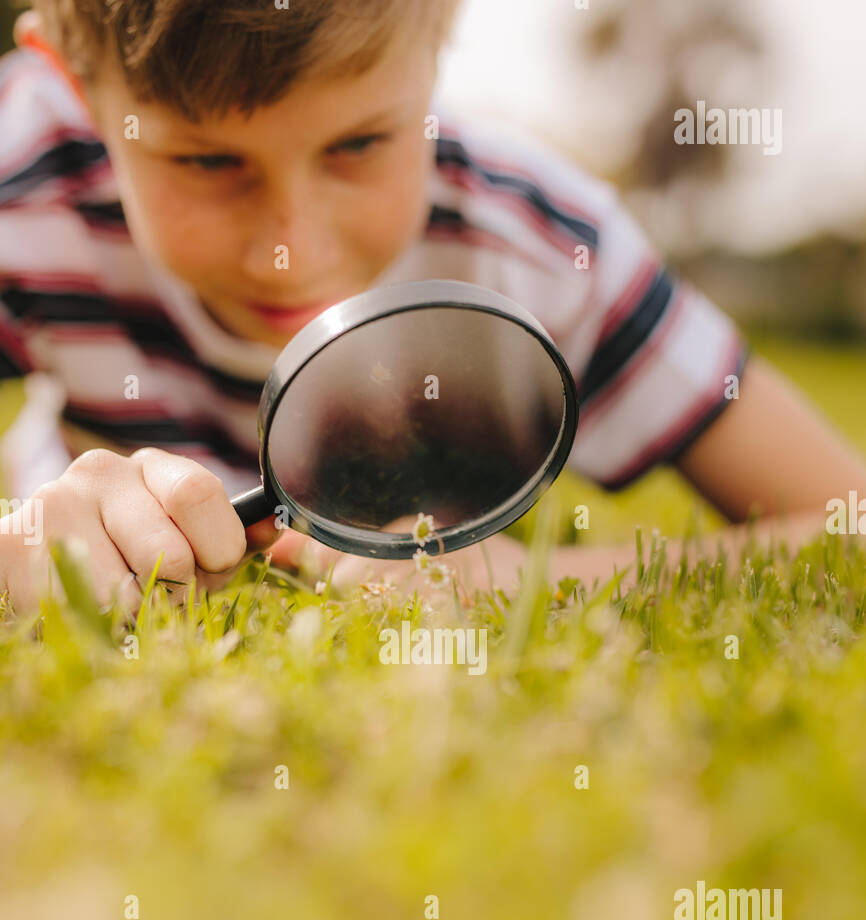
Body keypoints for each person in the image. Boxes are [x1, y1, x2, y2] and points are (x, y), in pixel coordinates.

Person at [0, 0, 863, 615]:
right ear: (74, 84)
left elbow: (847, 524)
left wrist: (539, 581)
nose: (291, 248)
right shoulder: (21, 181)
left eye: (360, 143)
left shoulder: (546, 247)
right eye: (204, 162)